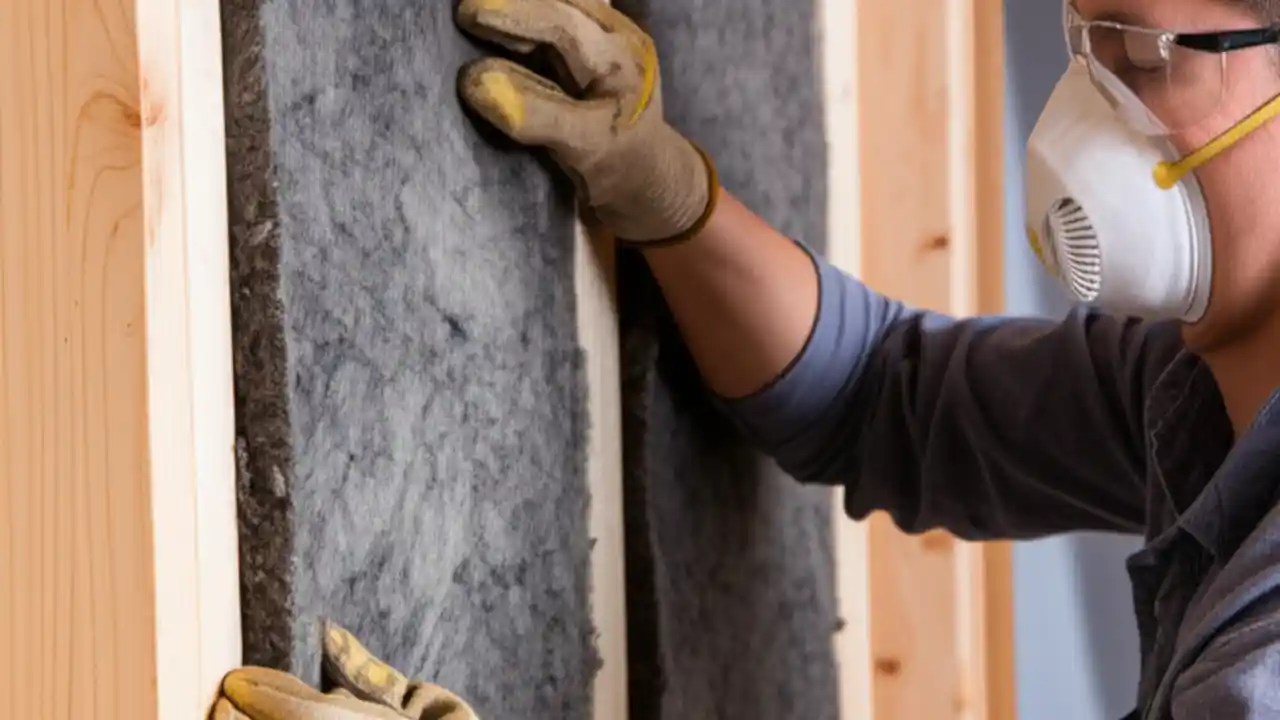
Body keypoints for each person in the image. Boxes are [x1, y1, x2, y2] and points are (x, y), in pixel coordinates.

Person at [215, 0, 1280, 717]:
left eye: (1143, 57)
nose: (1082, 118)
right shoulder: (1197, 389)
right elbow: (885, 397)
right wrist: (668, 196)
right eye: (1085, 46)